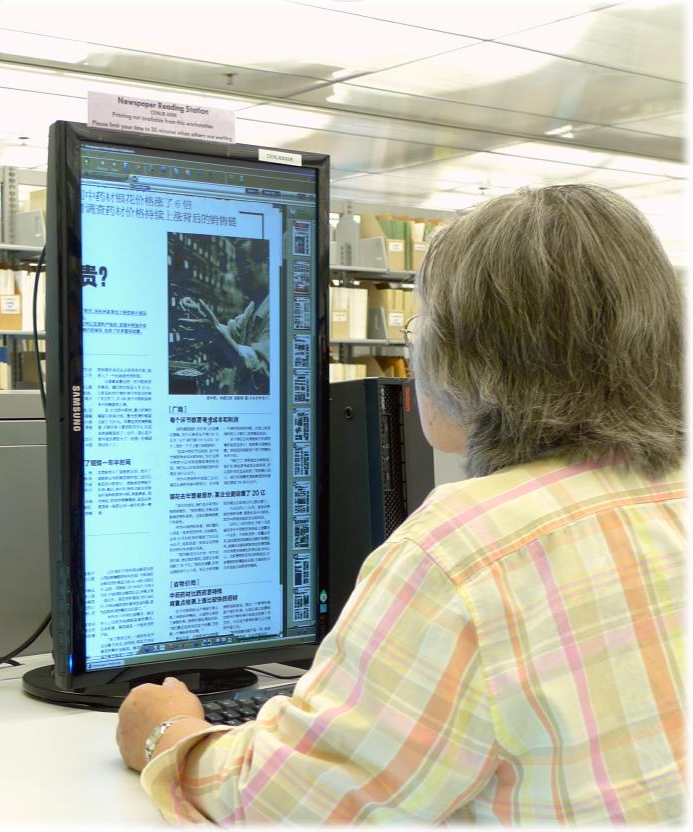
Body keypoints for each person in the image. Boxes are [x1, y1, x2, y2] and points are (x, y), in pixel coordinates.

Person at [117, 184, 685, 824]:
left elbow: (286, 806)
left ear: (467, 355)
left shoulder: (462, 552)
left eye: (422, 326)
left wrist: (169, 735)